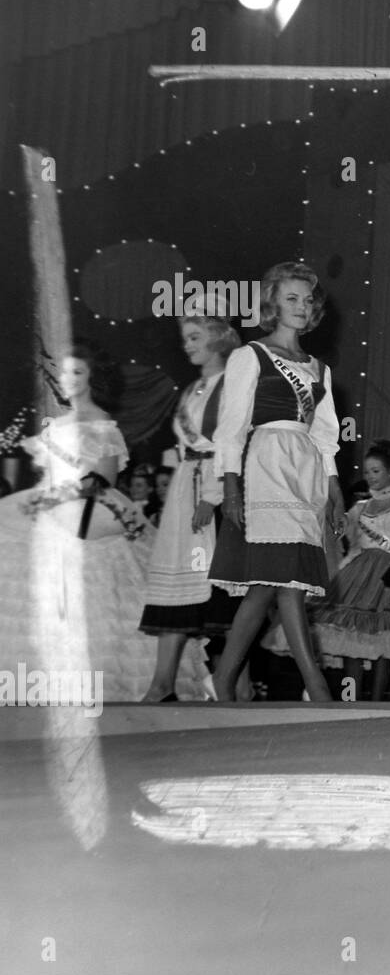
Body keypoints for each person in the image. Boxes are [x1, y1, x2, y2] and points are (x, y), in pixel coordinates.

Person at [0, 345, 210, 700]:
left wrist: (53, 496)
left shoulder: (100, 422)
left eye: (78, 373)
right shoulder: (59, 420)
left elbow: (102, 480)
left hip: (91, 512)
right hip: (53, 507)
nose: (69, 380)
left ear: (92, 378)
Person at [207, 262, 345, 702]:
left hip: (306, 472)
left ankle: (226, 677)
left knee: (277, 586)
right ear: (272, 304)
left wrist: (334, 488)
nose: (302, 307)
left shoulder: (319, 368)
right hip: (266, 465)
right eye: (291, 298)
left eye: (308, 300)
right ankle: (315, 685)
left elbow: (325, 437)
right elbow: (231, 429)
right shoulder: (250, 356)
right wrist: (231, 488)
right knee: (275, 584)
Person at [139, 316, 244, 702]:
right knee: (176, 590)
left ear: (218, 339)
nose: (187, 346)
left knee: (224, 599)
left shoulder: (233, 385)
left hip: (214, 495)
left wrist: (212, 496)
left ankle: (236, 687)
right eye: (185, 339)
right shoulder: (191, 389)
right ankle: (161, 684)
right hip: (185, 490)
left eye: (195, 337)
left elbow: (232, 444)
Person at [273, 439, 390, 700]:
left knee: (383, 644)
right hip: (358, 574)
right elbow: (342, 535)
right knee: (352, 642)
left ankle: (376, 702)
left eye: (376, 471)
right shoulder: (359, 508)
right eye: (366, 472)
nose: (370, 477)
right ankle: (349, 700)